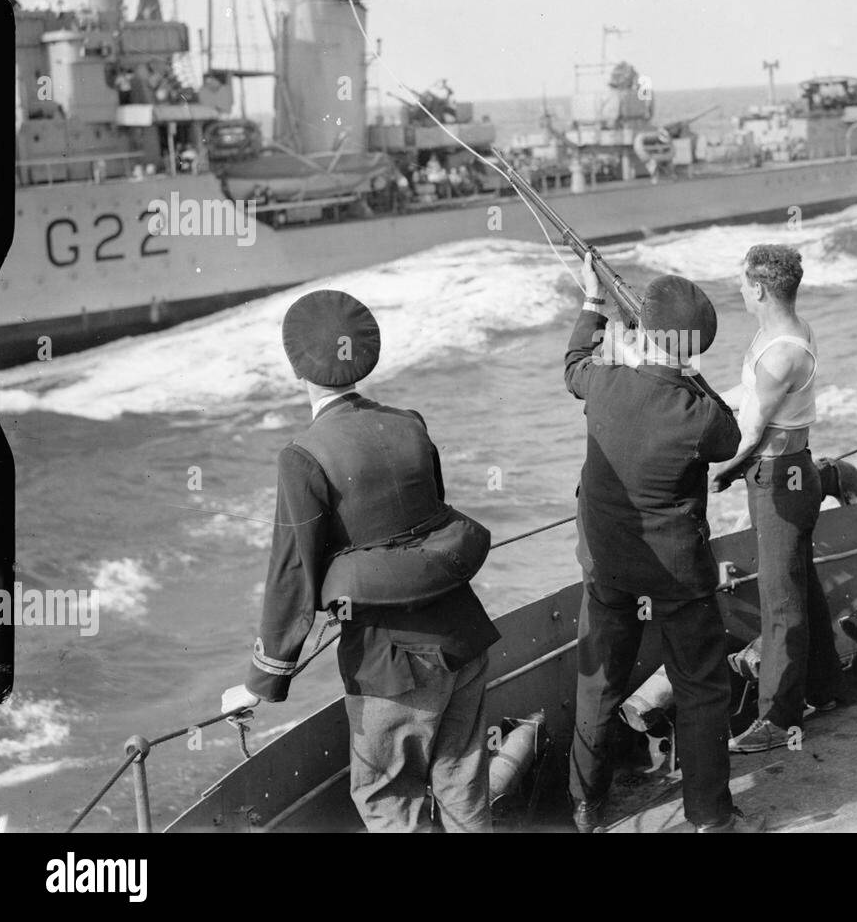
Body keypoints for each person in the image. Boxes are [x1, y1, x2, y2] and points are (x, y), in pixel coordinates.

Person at [221, 290, 499, 832]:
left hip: (393, 668)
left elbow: (293, 576)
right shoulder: (409, 423)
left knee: (389, 798)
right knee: (463, 785)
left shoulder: (301, 456)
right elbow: (430, 524)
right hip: (463, 639)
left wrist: (261, 682)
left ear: (295, 365)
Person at [565, 255, 762, 833]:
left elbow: (575, 362)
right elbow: (728, 433)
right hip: (677, 572)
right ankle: (710, 818)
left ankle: (585, 806)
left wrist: (595, 304)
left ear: (644, 330)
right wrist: (680, 365)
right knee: (701, 689)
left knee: (598, 682)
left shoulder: (603, 380)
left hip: (606, 565)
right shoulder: (697, 414)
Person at [711, 244, 843, 753]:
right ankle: (827, 687)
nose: (740, 290)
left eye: (745, 283)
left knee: (779, 600)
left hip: (780, 482)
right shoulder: (786, 330)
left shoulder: (784, 351)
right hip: (790, 472)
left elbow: (751, 433)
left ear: (761, 289)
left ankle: (777, 719)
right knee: (800, 585)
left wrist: (720, 473)